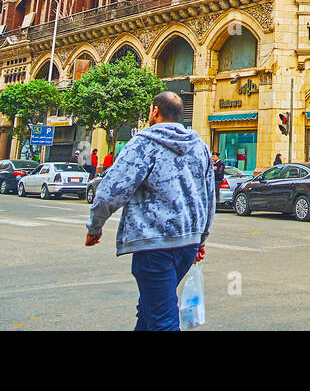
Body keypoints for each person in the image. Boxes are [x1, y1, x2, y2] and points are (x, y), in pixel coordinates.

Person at [86, 92, 215, 331]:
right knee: (150, 311)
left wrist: (95, 227)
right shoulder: (201, 147)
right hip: (187, 244)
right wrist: (201, 239)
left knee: (162, 322)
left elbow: (112, 190)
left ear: (154, 111)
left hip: (155, 245)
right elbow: (208, 197)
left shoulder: (144, 143)